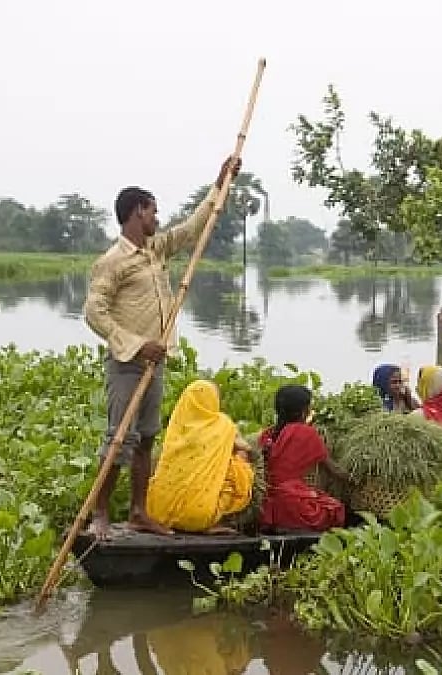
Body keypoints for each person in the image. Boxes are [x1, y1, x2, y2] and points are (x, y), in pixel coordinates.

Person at [82, 156, 241, 539]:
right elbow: (94, 312)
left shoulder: (155, 250)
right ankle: (99, 511)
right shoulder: (113, 261)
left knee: (147, 436)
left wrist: (221, 184)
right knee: (119, 437)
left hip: (156, 364)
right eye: (153, 211)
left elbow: (192, 229)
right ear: (137, 213)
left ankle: (138, 511)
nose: (157, 218)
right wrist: (137, 345)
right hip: (128, 363)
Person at [146, 379, 254, 534]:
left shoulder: (177, 424)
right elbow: (246, 447)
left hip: (158, 513)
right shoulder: (223, 424)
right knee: (239, 461)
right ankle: (215, 522)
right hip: (199, 517)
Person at [258, 385, 350, 533]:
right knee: (335, 509)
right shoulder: (306, 433)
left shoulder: (267, 434)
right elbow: (332, 468)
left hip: (266, 504)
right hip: (292, 501)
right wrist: (353, 478)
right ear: (303, 410)